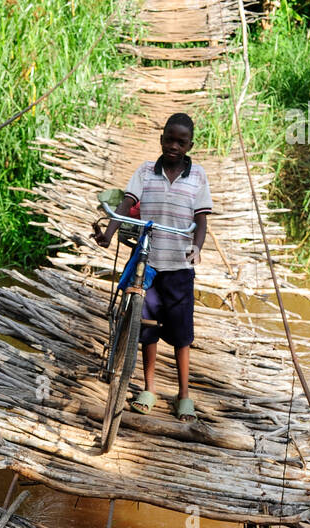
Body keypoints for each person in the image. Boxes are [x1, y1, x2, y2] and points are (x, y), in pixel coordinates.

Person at [92, 112, 212, 419]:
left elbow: (200, 221)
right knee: (146, 328)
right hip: (149, 264)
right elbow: (125, 203)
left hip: (179, 267)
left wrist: (196, 248)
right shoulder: (145, 172)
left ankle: (184, 394)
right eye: (169, 139)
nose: (173, 146)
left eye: (181, 142)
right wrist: (108, 234)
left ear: (190, 145)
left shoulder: (198, 177)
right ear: (161, 140)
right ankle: (149, 388)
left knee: (182, 332)